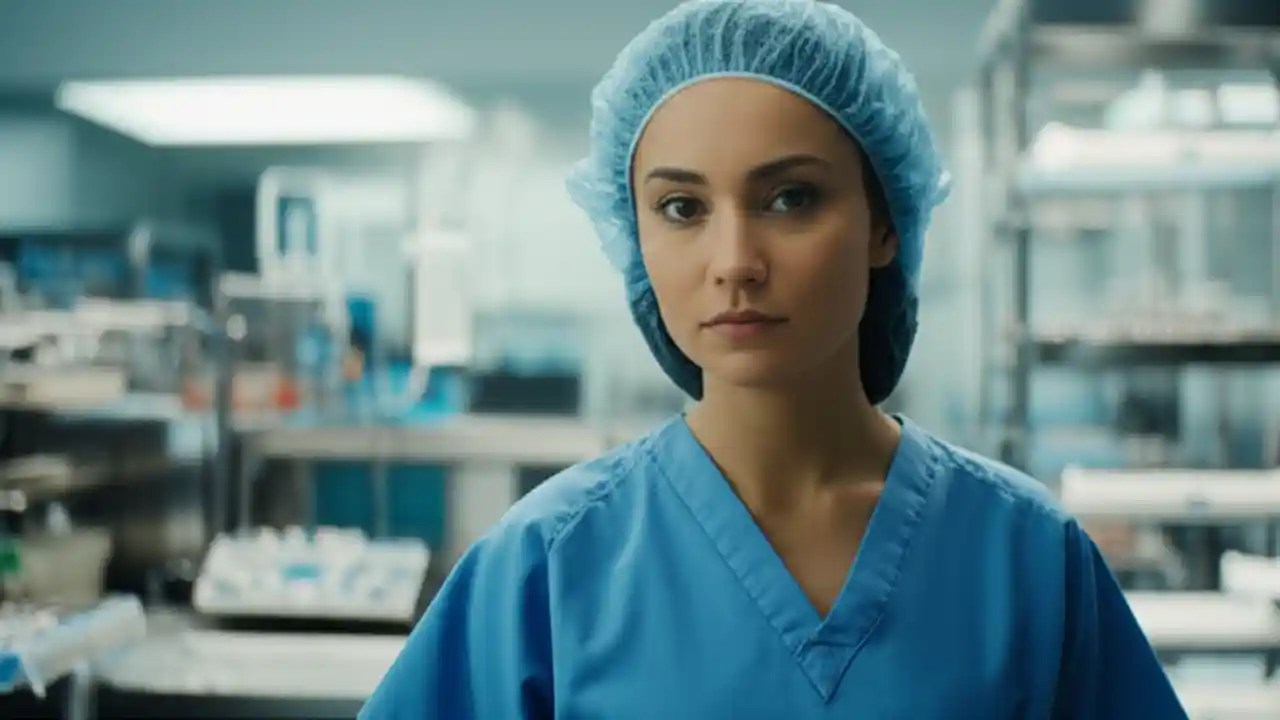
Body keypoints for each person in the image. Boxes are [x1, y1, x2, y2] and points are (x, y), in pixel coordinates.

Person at [360, 1, 1187, 717]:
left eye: (791, 198)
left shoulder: (1026, 556)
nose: (734, 260)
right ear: (635, 234)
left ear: (884, 223)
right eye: (681, 207)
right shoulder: (550, 564)